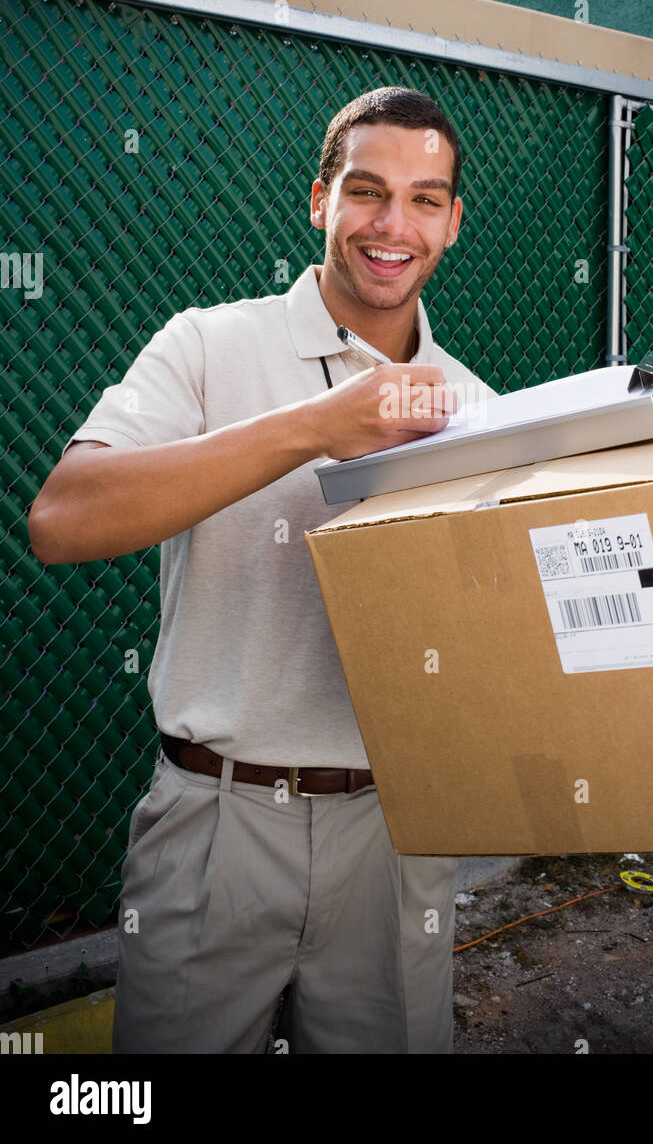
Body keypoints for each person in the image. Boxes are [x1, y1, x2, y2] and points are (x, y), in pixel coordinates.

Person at [28, 86, 497, 1054]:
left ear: (451, 221)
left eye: (422, 198)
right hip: (214, 826)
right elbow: (62, 520)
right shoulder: (207, 342)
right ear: (319, 199)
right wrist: (316, 427)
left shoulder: (477, 407)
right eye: (366, 191)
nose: (390, 223)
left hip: (398, 829)